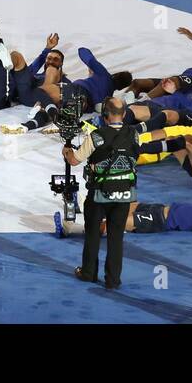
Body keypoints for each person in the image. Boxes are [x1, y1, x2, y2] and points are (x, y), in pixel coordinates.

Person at [64, 97, 139, 290]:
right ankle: (113, 280)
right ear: (124, 114)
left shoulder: (96, 136)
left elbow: (74, 160)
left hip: (99, 193)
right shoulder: (134, 134)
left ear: (105, 115)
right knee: (116, 238)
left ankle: (88, 273)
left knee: (92, 234)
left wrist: (66, 151)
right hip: (124, 193)